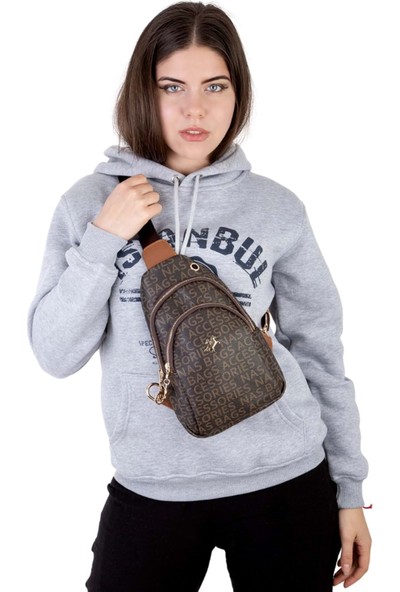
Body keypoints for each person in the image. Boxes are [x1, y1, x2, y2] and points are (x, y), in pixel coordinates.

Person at [28, 2, 371, 591]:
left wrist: (350, 491)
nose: (196, 109)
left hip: (285, 480)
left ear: (239, 93)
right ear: (143, 92)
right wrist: (103, 238)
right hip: (151, 486)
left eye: (216, 86)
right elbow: (55, 354)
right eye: (172, 87)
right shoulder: (89, 203)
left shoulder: (275, 207)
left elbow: (320, 352)